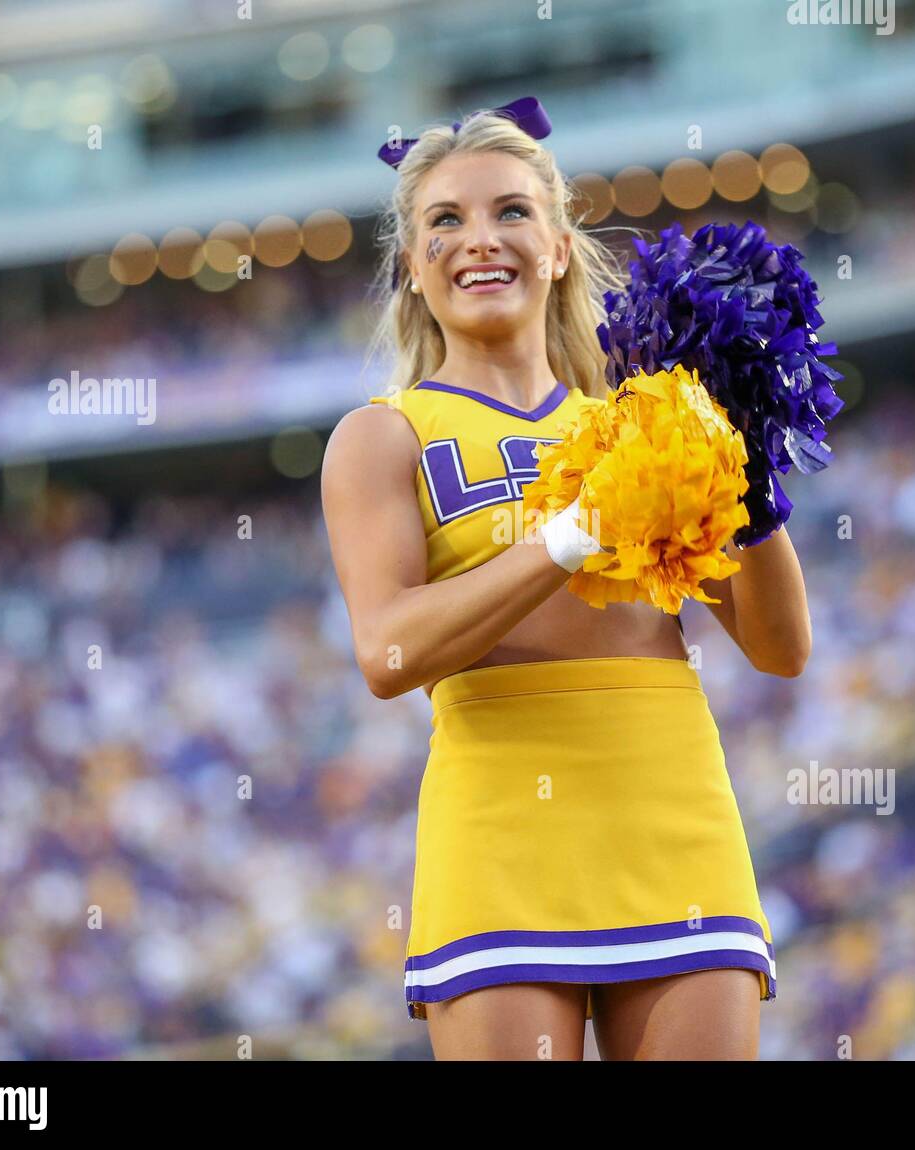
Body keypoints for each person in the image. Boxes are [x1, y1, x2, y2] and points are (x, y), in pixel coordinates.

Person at [321, 98, 811, 1061]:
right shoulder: (382, 436)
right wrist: (565, 541)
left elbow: (781, 649)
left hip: (670, 809)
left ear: (556, 247)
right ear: (413, 271)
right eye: (444, 224)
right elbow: (387, 653)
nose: (479, 241)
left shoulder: (647, 416)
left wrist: (746, 464)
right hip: (500, 829)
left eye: (510, 212)